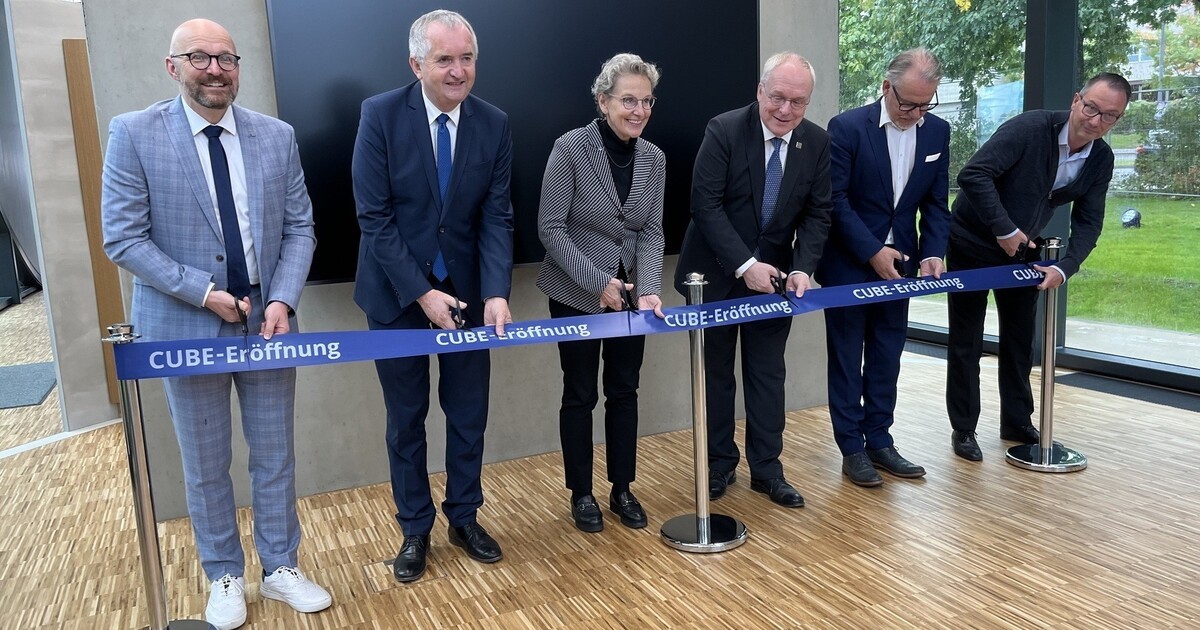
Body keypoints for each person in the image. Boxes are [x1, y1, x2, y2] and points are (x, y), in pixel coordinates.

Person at [101, 18, 330, 630]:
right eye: (199, 57)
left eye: (226, 58)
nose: (215, 69)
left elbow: (301, 228)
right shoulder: (134, 134)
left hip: (266, 322)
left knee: (275, 453)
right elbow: (123, 238)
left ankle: (280, 566)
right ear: (173, 66)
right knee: (204, 461)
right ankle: (223, 573)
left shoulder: (275, 137)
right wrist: (203, 294)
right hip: (185, 320)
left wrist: (281, 299)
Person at [351, 9, 513, 583]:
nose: (458, 70)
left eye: (466, 58)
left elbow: (496, 217)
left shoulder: (493, 123)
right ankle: (414, 528)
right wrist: (422, 293)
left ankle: (464, 516)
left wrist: (495, 293)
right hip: (396, 297)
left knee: (469, 415)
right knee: (407, 418)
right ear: (416, 63)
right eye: (444, 59)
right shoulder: (379, 116)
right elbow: (374, 218)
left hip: (468, 297)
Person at [946, 72, 1131, 461]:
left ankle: (1016, 421)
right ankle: (964, 429)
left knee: (1019, 340)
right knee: (968, 339)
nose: (1095, 120)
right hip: (971, 243)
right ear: (1076, 100)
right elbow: (973, 174)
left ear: (1119, 119)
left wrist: (1066, 266)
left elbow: (1089, 219)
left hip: (1022, 251)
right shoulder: (1031, 128)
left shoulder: (1100, 158)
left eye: (1109, 116)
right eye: (1091, 107)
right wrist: (1004, 228)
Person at [675, 52, 832, 508]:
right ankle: (719, 465)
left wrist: (802, 268)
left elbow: (819, 213)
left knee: (768, 376)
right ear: (760, 91)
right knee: (717, 376)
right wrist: (746, 264)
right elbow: (704, 205)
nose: (785, 110)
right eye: (777, 98)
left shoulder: (817, 144)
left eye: (798, 102)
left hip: (777, 280)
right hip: (716, 278)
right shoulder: (723, 130)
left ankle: (768, 469)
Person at [536, 53, 667, 533]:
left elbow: (652, 232)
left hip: (632, 298)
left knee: (624, 391)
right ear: (603, 100)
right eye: (628, 100)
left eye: (646, 101)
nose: (638, 110)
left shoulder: (655, 158)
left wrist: (648, 290)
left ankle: (622, 489)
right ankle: (582, 493)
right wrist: (599, 284)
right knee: (580, 393)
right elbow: (550, 228)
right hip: (574, 294)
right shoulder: (570, 148)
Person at [815, 48, 951, 487]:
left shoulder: (937, 133)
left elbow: (934, 203)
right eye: (907, 103)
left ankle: (880, 439)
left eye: (925, 104)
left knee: (887, 355)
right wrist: (873, 250)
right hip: (850, 264)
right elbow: (834, 201)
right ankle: (851, 448)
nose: (915, 113)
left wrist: (933, 251)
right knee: (846, 357)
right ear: (885, 87)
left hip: (904, 266)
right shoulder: (848, 127)